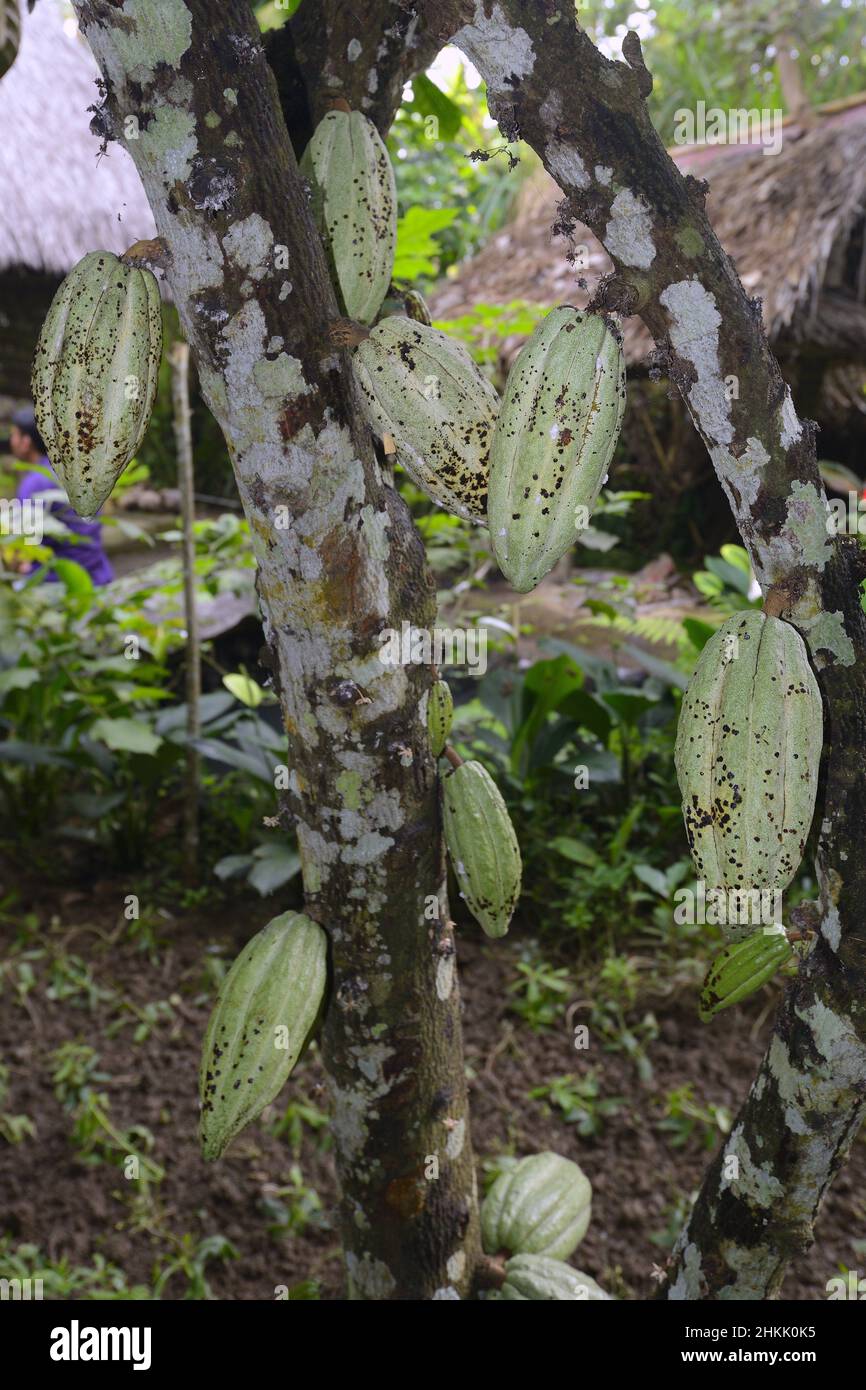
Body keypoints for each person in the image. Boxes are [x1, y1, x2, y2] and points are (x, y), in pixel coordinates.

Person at [8, 407, 113, 585]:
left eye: (14, 435)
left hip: (58, 584)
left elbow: (23, 547)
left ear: (26, 442)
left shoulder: (35, 483)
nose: (11, 441)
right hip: (99, 576)